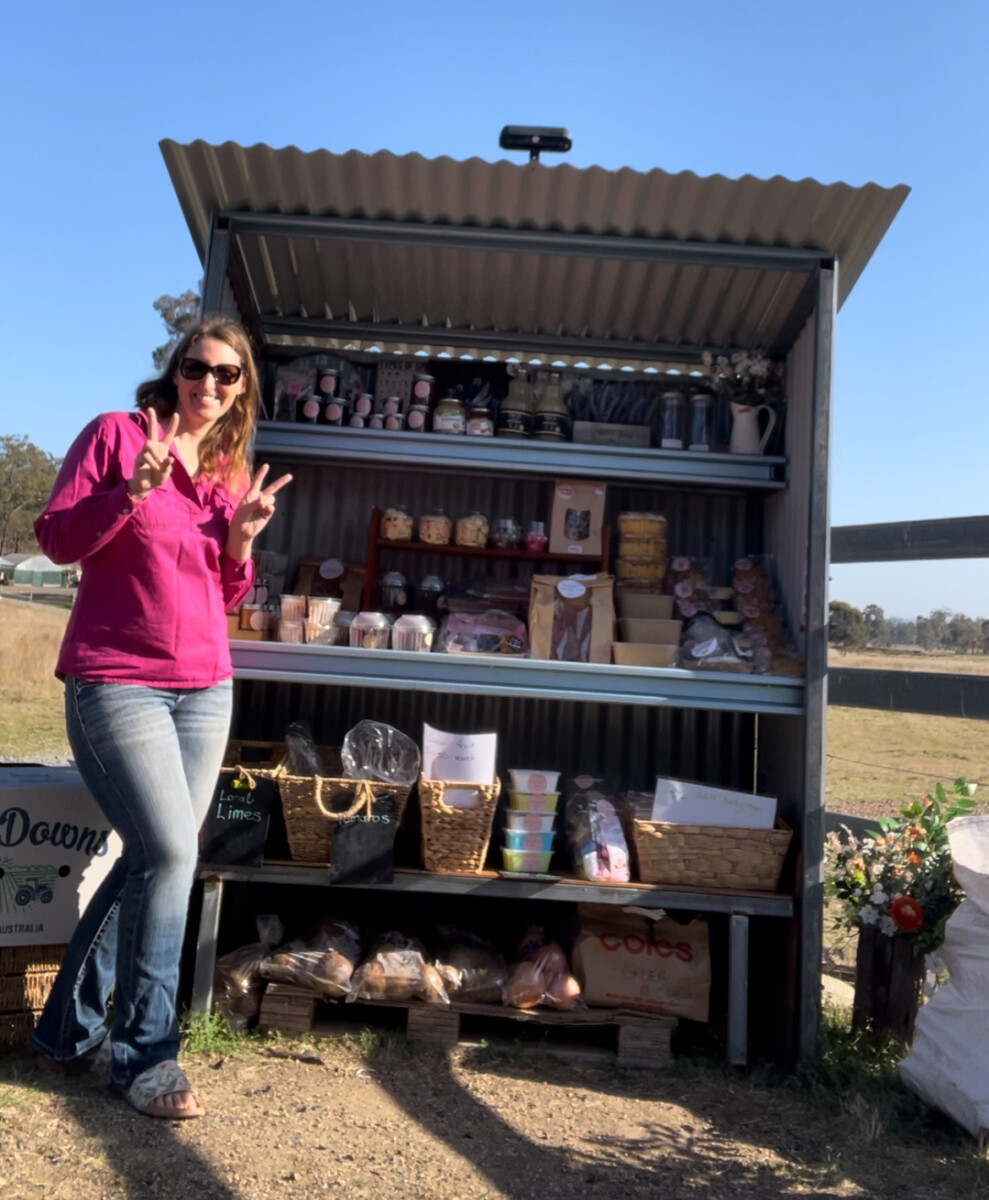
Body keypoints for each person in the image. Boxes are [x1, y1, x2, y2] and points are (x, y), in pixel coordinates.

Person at [29, 314, 292, 1119]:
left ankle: (65, 1029)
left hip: (206, 686)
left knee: (158, 859)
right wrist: (132, 490)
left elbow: (224, 592)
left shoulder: (227, 470)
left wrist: (242, 545)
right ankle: (146, 1059)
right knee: (173, 853)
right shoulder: (116, 435)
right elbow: (56, 539)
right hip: (117, 682)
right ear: (173, 371)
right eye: (195, 368)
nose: (208, 385)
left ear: (243, 387)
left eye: (226, 374)